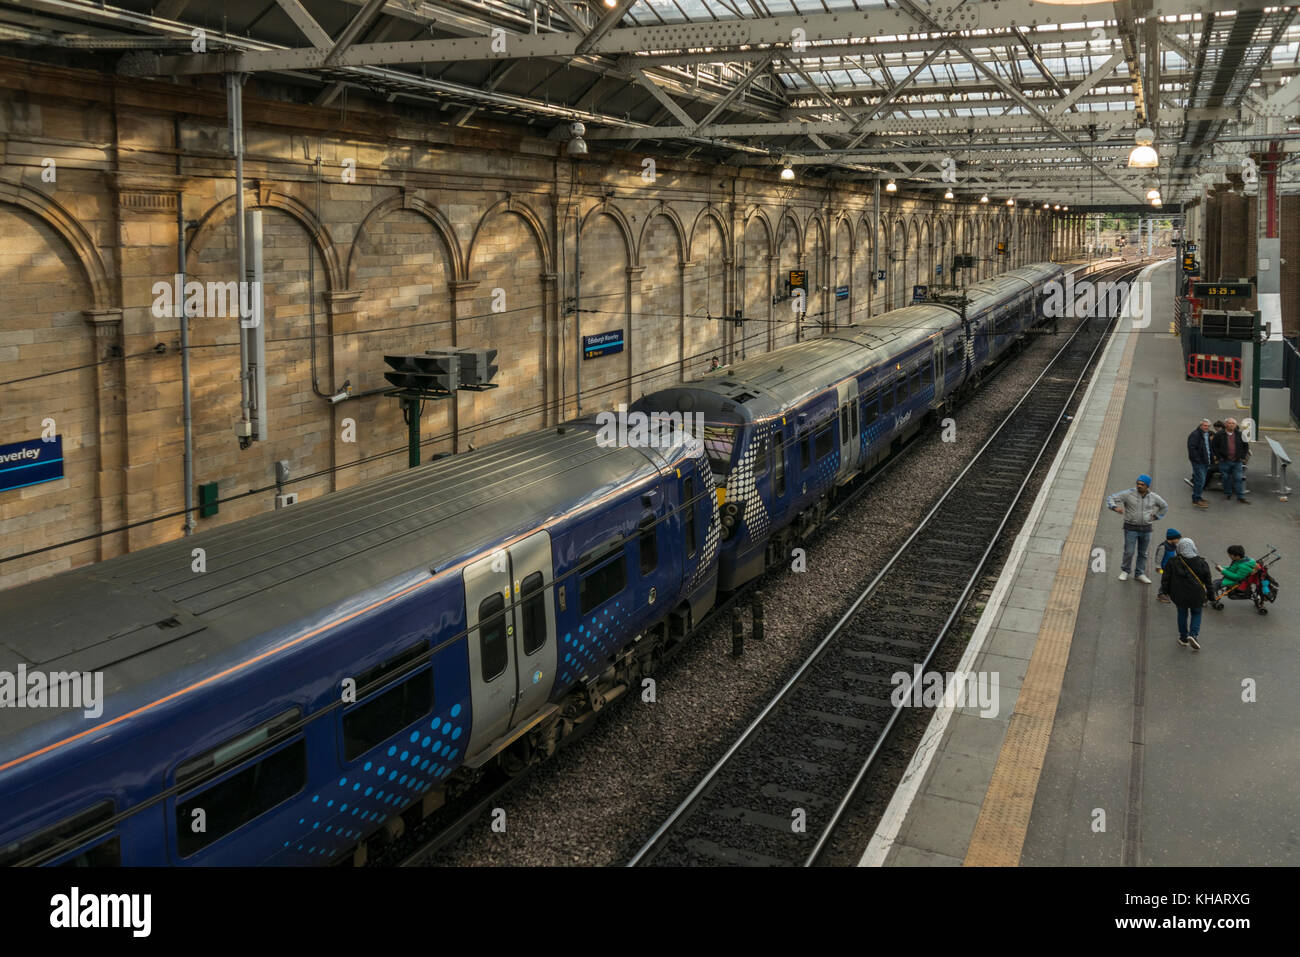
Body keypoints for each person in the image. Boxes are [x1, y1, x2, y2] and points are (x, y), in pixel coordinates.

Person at [1105, 474, 1169, 583]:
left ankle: (1140, 573)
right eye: (1138, 484)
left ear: (1147, 486)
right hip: (1131, 528)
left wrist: (1156, 516)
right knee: (1129, 551)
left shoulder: (1153, 497)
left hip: (1146, 529)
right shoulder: (1128, 494)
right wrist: (1115, 507)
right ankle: (1125, 570)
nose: (1139, 486)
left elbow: (1164, 506)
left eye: (1142, 484)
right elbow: (1111, 498)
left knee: (1143, 553)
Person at [1166, 537, 1213, 651]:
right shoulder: (1201, 562)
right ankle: (1194, 635)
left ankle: (1183, 638)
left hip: (1179, 594)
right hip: (1197, 594)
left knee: (1182, 613)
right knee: (1196, 613)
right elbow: (1208, 581)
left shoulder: (1173, 562)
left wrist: (1166, 592)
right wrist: (1211, 596)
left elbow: (1166, 579)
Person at [1212, 417, 1250, 503]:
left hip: (1237, 461)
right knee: (1225, 477)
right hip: (1224, 460)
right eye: (1229, 423)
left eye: (1233, 423)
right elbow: (1214, 446)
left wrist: (1242, 457)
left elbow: (1246, 446)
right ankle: (1228, 493)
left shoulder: (1240, 435)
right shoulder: (1219, 435)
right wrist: (1219, 457)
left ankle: (1240, 496)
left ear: (1236, 425)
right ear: (1225, 425)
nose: (1231, 425)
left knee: (1238, 478)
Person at [1186, 418, 1213, 508]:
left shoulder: (1207, 434)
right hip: (1199, 462)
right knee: (1200, 481)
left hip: (1206, 461)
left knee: (1202, 480)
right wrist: (1197, 460)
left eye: (1208, 426)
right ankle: (1196, 500)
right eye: (1205, 425)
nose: (1206, 427)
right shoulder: (1195, 435)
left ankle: (1198, 497)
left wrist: (1211, 458)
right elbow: (1192, 448)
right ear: (1201, 425)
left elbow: (1208, 447)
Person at [1154, 528, 1182, 603]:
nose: (1178, 541)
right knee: (1165, 581)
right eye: (1177, 539)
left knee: (1170, 581)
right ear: (1172, 538)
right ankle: (1161, 594)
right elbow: (1159, 557)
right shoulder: (1163, 547)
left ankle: (1166, 593)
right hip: (1164, 568)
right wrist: (1158, 566)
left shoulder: (1174, 546)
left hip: (1171, 567)